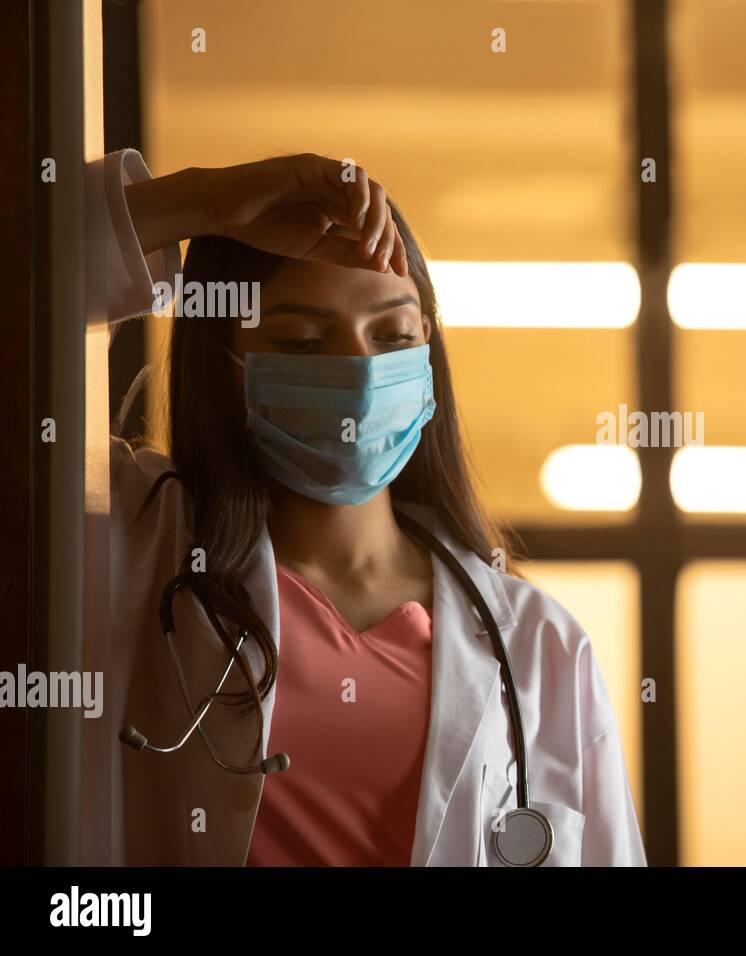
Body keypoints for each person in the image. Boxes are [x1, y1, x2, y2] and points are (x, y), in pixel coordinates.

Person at [83, 149, 646, 866]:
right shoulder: (132, 542)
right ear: (223, 368)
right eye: (302, 341)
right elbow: (22, 285)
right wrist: (207, 204)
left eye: (392, 336)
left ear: (429, 356)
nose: (358, 370)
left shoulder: (539, 648)